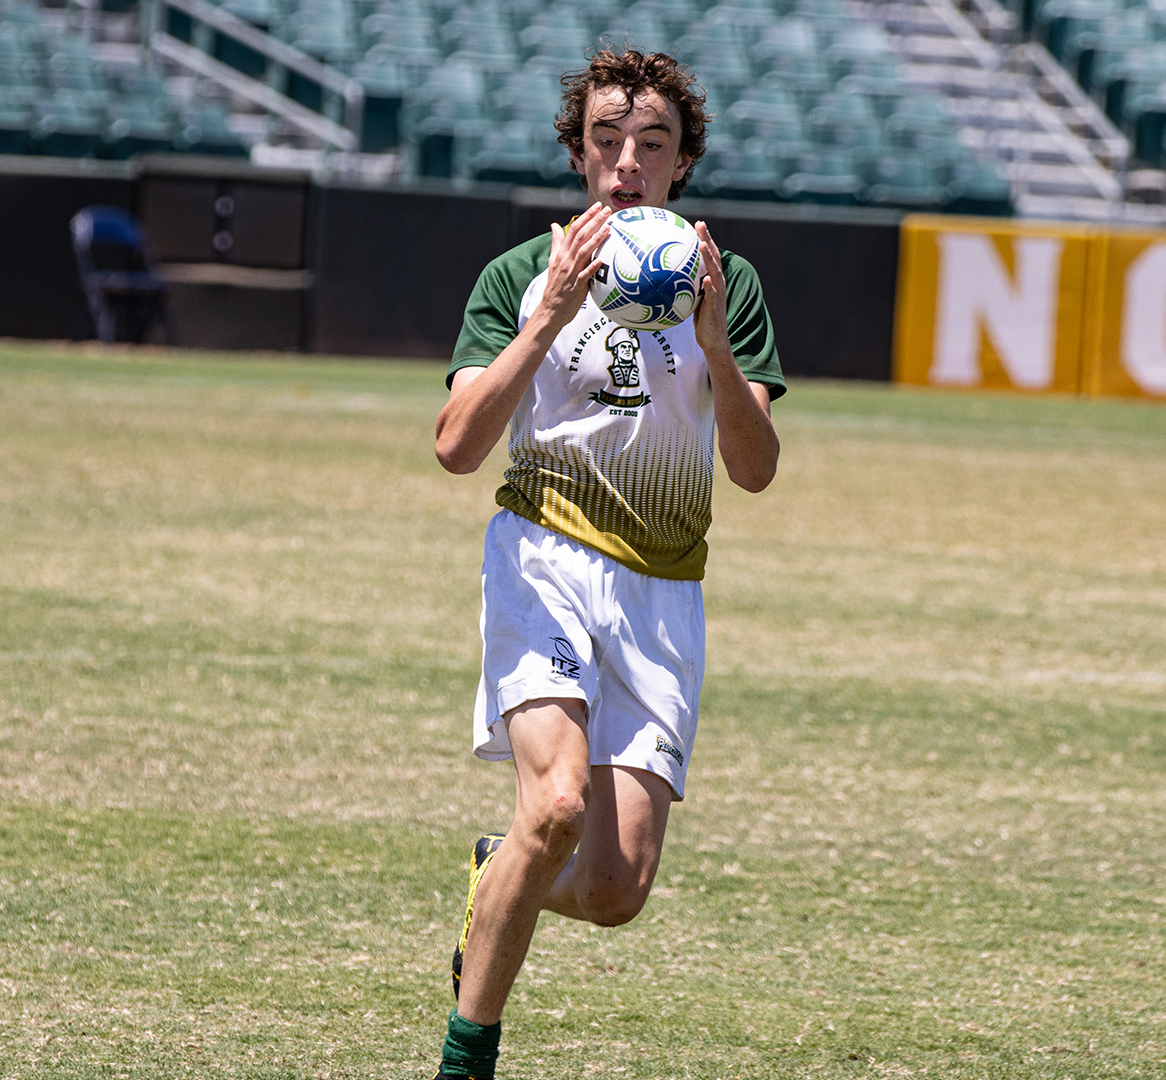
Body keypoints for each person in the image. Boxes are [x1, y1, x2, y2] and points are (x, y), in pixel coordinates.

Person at [429, 49, 784, 1079]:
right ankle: (466, 1058)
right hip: (540, 558)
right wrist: (548, 315)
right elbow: (455, 445)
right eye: (606, 140)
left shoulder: (732, 286)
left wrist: (715, 343)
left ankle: (497, 875)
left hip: (663, 588)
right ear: (579, 153)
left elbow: (755, 471)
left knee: (615, 889)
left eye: (652, 143)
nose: (627, 162)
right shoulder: (516, 276)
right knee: (554, 807)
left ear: (683, 163)